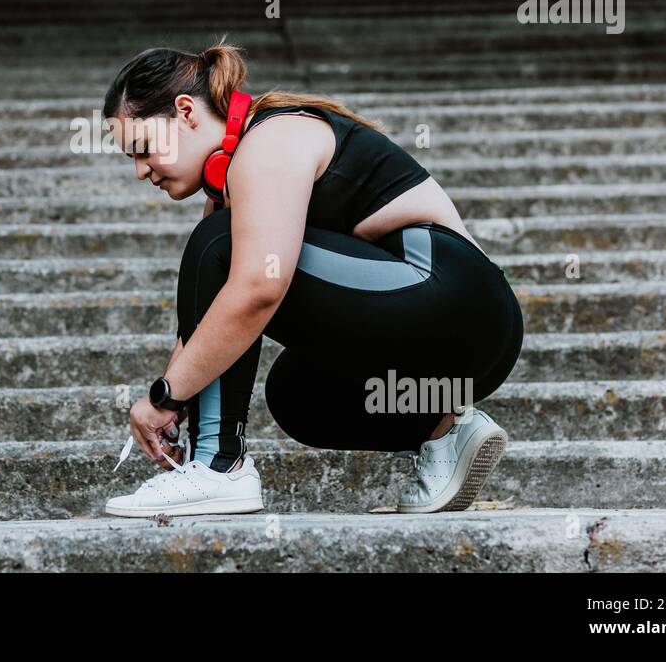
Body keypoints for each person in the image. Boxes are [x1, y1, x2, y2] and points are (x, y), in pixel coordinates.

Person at [100, 40, 524, 517]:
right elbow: (205, 321)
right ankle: (444, 430)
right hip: (463, 341)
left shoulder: (270, 139)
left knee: (220, 246)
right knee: (298, 396)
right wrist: (174, 395)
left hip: (451, 293)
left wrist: (163, 396)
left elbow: (257, 287)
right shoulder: (234, 181)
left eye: (143, 148)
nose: (140, 171)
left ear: (185, 111)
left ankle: (219, 468)